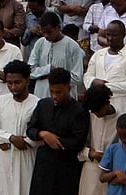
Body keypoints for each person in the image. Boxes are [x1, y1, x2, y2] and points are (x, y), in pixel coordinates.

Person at [27, 67, 91, 195]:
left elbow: (78, 142)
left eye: (59, 92)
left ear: (69, 88)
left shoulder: (79, 111)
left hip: (67, 169)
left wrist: (54, 142)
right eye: (52, 92)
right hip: (43, 168)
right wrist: (43, 134)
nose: (55, 96)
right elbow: (31, 129)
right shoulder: (43, 105)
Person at [0, 60, 40, 195]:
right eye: (9, 83)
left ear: (27, 81)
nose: (13, 87)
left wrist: (25, 141)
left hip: (26, 159)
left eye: (17, 82)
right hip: (2, 160)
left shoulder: (38, 104)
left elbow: (40, 134)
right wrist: (9, 138)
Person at [84, 20, 126, 116]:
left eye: (114, 35)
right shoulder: (98, 55)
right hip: (97, 110)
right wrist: (92, 81)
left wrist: (103, 87)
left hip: (121, 109)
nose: (110, 38)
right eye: (108, 35)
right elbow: (87, 76)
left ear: (124, 35)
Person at [78, 83, 118, 195]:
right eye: (93, 111)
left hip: (110, 172)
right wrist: (91, 154)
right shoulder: (89, 117)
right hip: (89, 170)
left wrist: (108, 157)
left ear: (107, 103)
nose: (96, 114)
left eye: (98, 110)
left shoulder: (120, 120)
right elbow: (77, 144)